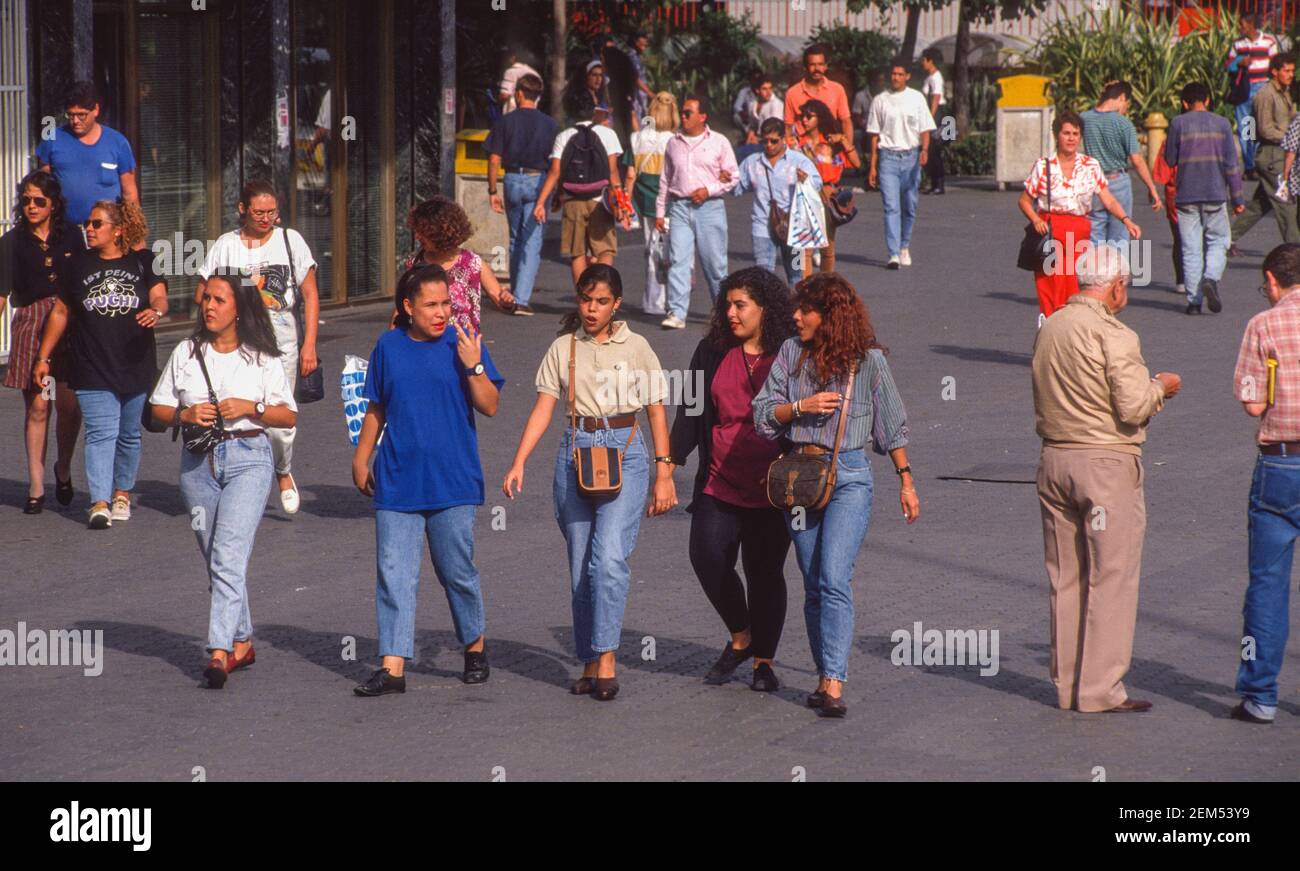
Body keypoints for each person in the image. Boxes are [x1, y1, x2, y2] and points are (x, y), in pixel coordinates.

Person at [502, 264, 675, 701]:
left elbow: (656, 409)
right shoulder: (563, 347)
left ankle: (607, 657)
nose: (592, 309)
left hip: (627, 450)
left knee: (609, 559)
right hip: (576, 452)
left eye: (601, 302)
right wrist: (519, 461)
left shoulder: (637, 346)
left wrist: (664, 473)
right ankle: (589, 659)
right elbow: (544, 407)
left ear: (617, 304)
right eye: (585, 300)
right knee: (581, 567)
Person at [752, 272, 918, 718]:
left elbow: (891, 424)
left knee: (832, 577)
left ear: (831, 317)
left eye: (806, 311)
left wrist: (906, 480)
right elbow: (763, 415)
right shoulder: (790, 352)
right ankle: (824, 668)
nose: (796, 316)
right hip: (799, 478)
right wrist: (801, 407)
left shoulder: (868, 362)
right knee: (812, 582)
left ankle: (832, 683)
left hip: (849, 477)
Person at [1031, 245, 1180, 714]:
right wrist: (1162, 387)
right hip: (1106, 465)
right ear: (1116, 287)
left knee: (1066, 578)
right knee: (1111, 576)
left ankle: (1068, 685)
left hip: (1055, 460)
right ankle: (1099, 691)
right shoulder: (1116, 334)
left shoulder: (1051, 326)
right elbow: (1134, 405)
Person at [351, 265, 504, 698]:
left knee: (456, 570)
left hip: (452, 479)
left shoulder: (464, 342)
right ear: (408, 307)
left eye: (447, 304)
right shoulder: (388, 346)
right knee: (394, 572)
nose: (442, 314)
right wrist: (362, 458)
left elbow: (490, 406)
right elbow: (377, 408)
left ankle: (474, 647)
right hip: (398, 479)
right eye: (432, 305)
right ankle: (393, 666)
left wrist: (473, 367)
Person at [149, 272, 297, 689]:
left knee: (228, 554)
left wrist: (253, 406)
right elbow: (158, 411)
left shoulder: (261, 357)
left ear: (238, 309)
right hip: (197, 463)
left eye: (219, 300)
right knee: (215, 554)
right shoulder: (187, 352)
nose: (209, 306)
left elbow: (288, 416)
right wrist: (185, 414)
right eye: (206, 299)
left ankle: (218, 651)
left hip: (249, 458)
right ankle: (243, 641)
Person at [667, 267, 797, 691]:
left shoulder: (790, 354)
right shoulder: (712, 349)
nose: (732, 313)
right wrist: (667, 465)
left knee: (764, 573)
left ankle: (764, 662)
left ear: (765, 309)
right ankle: (741, 635)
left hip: (773, 488)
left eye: (741, 306)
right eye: (728, 305)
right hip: (719, 480)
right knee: (707, 557)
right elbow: (689, 409)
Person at [32, 199, 165, 529]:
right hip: (91, 362)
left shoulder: (143, 261)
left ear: (118, 230)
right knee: (100, 432)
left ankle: (122, 492)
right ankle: (100, 502)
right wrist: (43, 357)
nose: (88, 229)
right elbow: (61, 312)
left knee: (129, 434)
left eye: (96, 224)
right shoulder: (76, 265)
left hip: (135, 361)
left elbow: (160, 295)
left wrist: (157, 311)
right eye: (87, 224)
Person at [196, 180, 319, 515]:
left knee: (280, 417)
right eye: (259, 212)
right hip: (237, 340)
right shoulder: (226, 245)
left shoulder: (290, 240)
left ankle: (282, 471)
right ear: (242, 210)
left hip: (282, 339)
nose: (266, 218)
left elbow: (309, 294)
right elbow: (203, 292)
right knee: (238, 413)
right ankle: (240, 479)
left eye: (272, 212)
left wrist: (310, 345)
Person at [1230, 243, 1300, 725]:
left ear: (1273, 281)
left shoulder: (1263, 325)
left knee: (1268, 586)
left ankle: (1261, 696)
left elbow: (1253, 404)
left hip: (1281, 463)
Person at [0, 171, 84, 513]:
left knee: (67, 406)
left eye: (39, 201)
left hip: (69, 322)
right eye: (26, 200)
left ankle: (62, 467)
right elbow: (1, 295)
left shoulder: (72, 236)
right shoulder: (11, 241)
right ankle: (35, 485)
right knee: (38, 405)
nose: (31, 206)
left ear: (53, 204)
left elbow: (84, 282)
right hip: (32, 323)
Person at [1018, 111, 1139, 320]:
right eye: (1066, 133)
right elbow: (1024, 200)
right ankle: (1049, 336)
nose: (1071, 138)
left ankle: (1073, 339)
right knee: (1050, 290)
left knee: (1077, 289)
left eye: (1076, 133)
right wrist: (1035, 219)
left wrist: (1126, 220)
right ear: (1057, 135)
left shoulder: (1090, 166)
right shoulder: (1044, 166)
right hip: (1051, 234)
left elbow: (1108, 199)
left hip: (1079, 235)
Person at [1162, 81, 1246, 315]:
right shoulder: (1222, 124)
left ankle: (1194, 302)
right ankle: (1211, 277)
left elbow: (1170, 160)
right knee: (1219, 240)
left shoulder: (1178, 123)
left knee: (1190, 247)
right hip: (1215, 193)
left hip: (1186, 195)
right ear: (1208, 100)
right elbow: (1231, 165)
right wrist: (1238, 199)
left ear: (1184, 103)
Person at [655, 95, 738, 330]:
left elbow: (733, 176)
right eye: (682, 112)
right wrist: (660, 211)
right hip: (680, 207)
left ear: (702, 117)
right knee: (678, 260)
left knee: (714, 265)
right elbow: (665, 178)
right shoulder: (673, 143)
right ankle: (677, 312)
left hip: (710, 208)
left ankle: (722, 312)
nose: (682, 116)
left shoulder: (719, 142)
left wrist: (709, 189)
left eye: (688, 113)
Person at [486, 72, 557, 317]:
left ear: (518, 94)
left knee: (515, 238)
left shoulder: (505, 121)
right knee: (532, 240)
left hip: (512, 179)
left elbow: (494, 158)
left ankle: (516, 291)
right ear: (538, 96)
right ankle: (521, 299)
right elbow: (555, 163)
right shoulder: (550, 124)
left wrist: (492, 189)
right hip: (538, 179)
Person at [534, 102, 627, 287]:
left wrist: (541, 202)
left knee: (578, 253)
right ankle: (600, 291)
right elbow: (613, 172)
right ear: (594, 114)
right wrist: (621, 202)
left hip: (572, 200)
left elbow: (555, 172)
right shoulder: (608, 134)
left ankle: (582, 297)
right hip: (600, 199)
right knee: (605, 251)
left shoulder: (564, 136)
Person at [402, 196, 515, 329]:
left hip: (462, 345)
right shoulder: (415, 262)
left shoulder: (473, 263)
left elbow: (500, 299)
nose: (417, 237)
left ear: (442, 232)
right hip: (423, 343)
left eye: (423, 232)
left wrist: (507, 300)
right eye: (416, 230)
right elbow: (403, 306)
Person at [35, 82, 138, 226]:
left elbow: (130, 194)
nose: (75, 121)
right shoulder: (51, 139)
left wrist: (135, 236)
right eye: (70, 115)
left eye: (81, 115)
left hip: (107, 233)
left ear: (96, 110)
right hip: (64, 231)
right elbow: (42, 189)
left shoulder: (118, 142)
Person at [866, 58, 935, 270]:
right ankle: (893, 253)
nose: (896, 78)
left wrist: (924, 150)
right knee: (891, 207)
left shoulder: (917, 98)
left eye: (900, 74)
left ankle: (904, 245)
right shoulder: (880, 100)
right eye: (893, 74)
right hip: (888, 157)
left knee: (909, 206)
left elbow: (925, 129)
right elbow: (874, 135)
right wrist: (873, 165)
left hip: (911, 157)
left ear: (907, 77)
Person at [733, 117, 818, 284]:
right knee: (763, 275)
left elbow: (817, 183)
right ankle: (768, 310)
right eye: (765, 141)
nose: (769, 145)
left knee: (796, 275)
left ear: (783, 139)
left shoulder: (798, 160)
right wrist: (725, 178)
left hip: (794, 227)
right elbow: (736, 188)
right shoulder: (752, 162)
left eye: (774, 141)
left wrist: (806, 180)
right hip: (762, 226)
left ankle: (795, 309)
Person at [1079, 80, 1163, 248]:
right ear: (1122, 97)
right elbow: (1137, 160)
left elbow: (1097, 110)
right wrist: (1152, 188)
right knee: (1119, 237)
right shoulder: (1124, 124)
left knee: (1094, 235)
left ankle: (1093, 273)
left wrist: (1105, 94)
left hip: (1093, 182)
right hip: (1118, 181)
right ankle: (1118, 273)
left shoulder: (1084, 119)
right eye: (1127, 103)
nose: (1126, 108)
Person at [1230, 53, 1298, 247]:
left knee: (1261, 205)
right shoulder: (1265, 95)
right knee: (1286, 203)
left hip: (1281, 154)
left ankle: (1227, 239)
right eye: (1286, 71)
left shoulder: (1284, 91)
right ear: (1275, 72)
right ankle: (1295, 250)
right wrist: (1290, 138)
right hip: (1271, 156)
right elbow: (1264, 129)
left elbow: (1291, 118)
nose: (1290, 75)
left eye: (1292, 71)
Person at [622, 91, 679, 315]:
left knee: (652, 249)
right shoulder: (675, 140)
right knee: (669, 251)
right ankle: (670, 299)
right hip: (671, 202)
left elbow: (629, 175)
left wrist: (625, 203)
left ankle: (653, 300)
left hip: (646, 202)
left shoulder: (637, 138)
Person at [796, 98, 861, 274]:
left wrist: (844, 141)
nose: (804, 120)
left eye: (809, 116)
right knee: (805, 249)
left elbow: (856, 163)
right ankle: (805, 288)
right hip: (806, 194)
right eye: (802, 116)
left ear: (820, 118)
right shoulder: (797, 144)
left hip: (828, 195)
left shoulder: (831, 143)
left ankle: (827, 287)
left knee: (827, 248)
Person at [1227, 13, 1279, 177]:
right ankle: (1250, 166)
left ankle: (1255, 164)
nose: (1240, 28)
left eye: (1242, 24)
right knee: (1246, 128)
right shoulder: (1238, 44)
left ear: (1250, 25)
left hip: (1262, 87)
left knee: (1259, 127)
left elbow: (1276, 64)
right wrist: (1239, 63)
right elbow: (1228, 65)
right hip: (1244, 89)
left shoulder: (1269, 41)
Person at [785, 44, 853, 143]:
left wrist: (848, 148)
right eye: (812, 65)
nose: (817, 69)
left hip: (830, 148)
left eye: (820, 64)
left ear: (826, 66)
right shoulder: (792, 93)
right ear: (805, 67)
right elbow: (788, 126)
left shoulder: (837, 89)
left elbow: (846, 122)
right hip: (802, 149)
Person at [919, 48, 947, 196]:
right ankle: (933, 182)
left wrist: (930, 118)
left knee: (935, 150)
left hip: (936, 114)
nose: (922, 63)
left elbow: (935, 98)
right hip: (930, 113)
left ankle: (939, 184)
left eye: (924, 60)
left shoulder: (936, 77)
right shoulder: (928, 77)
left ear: (930, 61)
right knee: (929, 150)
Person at [498, 50, 541, 115]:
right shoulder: (536, 74)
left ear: (512, 58)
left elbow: (505, 95)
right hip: (532, 115)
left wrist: (498, 100)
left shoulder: (511, 72)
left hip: (513, 116)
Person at [629, 33, 654, 128]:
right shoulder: (631, 57)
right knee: (638, 123)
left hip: (641, 97)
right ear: (636, 42)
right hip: (636, 97)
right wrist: (650, 93)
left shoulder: (638, 57)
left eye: (646, 45)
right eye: (642, 44)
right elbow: (636, 79)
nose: (644, 47)